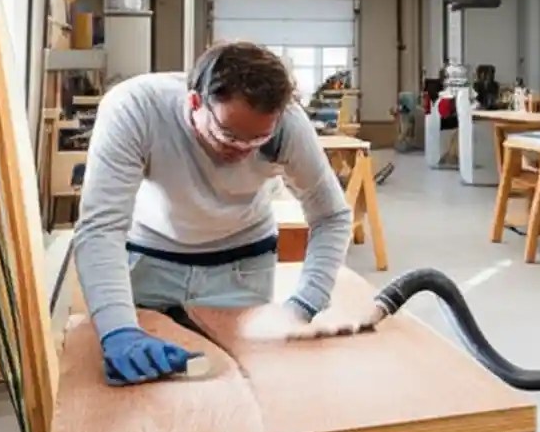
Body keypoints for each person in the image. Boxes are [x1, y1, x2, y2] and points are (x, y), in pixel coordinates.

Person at [73, 41, 353, 386]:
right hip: (149, 264)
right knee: (143, 396)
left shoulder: (289, 127)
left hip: (241, 269)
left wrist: (303, 306)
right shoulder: (136, 108)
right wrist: (118, 330)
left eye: (257, 140)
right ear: (194, 102)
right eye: (228, 135)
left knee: (242, 387)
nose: (242, 150)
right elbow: (100, 226)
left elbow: (331, 216)